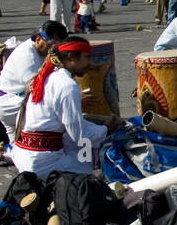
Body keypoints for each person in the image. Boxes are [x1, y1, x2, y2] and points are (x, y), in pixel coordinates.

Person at [9, 37, 121, 177]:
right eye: (87, 57)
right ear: (71, 57)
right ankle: (85, 177)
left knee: (77, 144)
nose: (91, 63)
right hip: (41, 162)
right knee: (85, 153)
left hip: (24, 154)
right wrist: (106, 129)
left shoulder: (47, 75)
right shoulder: (67, 85)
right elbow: (80, 135)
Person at [0, 20, 70, 136]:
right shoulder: (28, 56)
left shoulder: (38, 50)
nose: (52, 51)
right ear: (38, 39)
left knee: (16, 148)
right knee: (53, 114)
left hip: (14, 97)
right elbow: (39, 88)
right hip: (9, 102)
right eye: (50, 46)